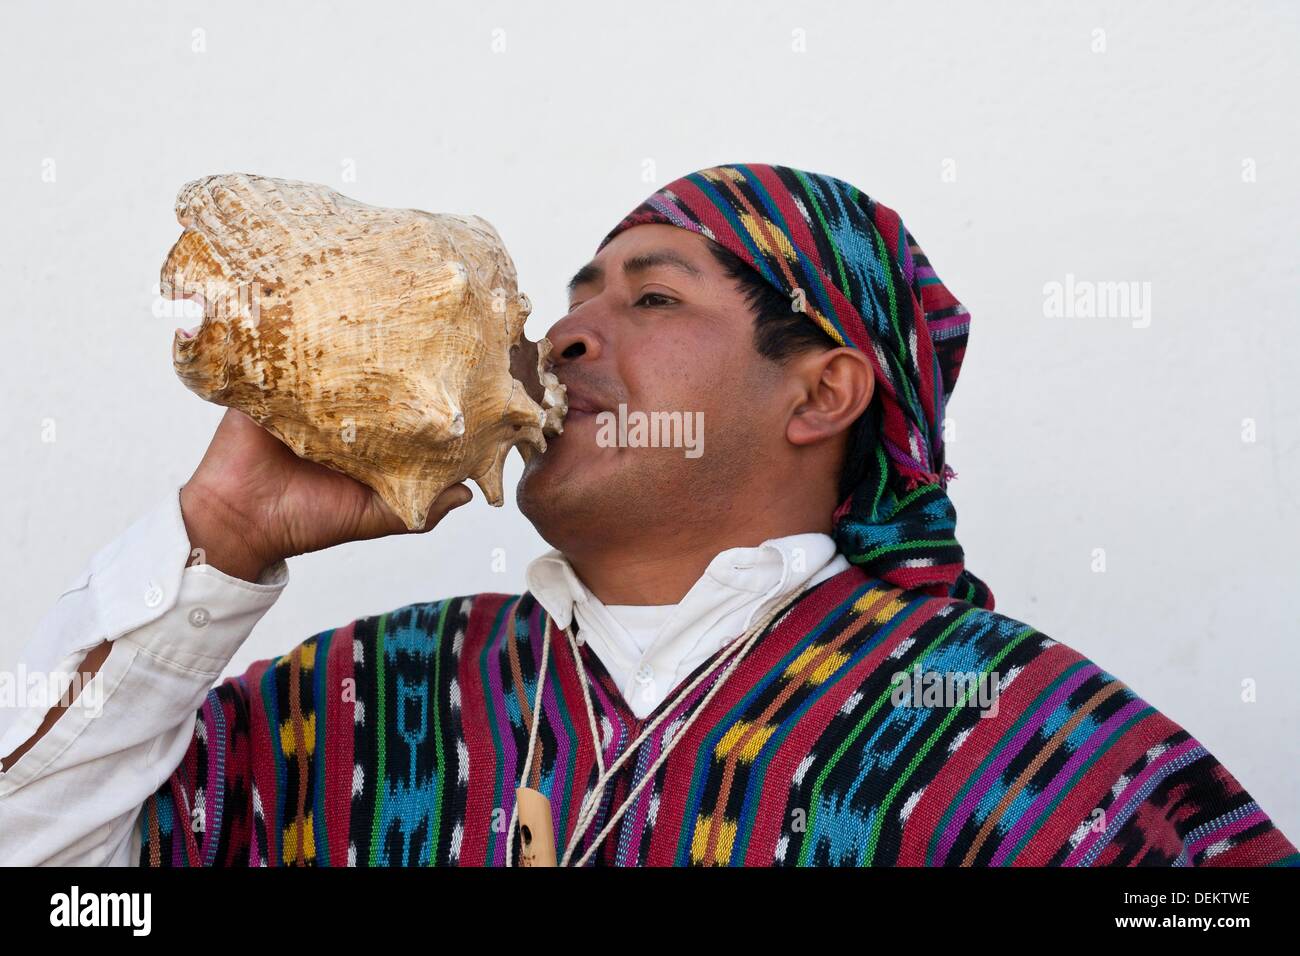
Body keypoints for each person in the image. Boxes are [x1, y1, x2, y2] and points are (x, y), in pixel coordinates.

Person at [0, 163, 1293, 867]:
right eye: (573, 296)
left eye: (652, 298)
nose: (564, 335)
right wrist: (222, 533)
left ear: (824, 388)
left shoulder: (997, 723)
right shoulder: (361, 695)